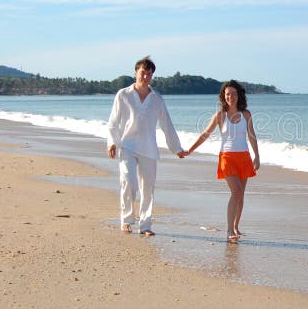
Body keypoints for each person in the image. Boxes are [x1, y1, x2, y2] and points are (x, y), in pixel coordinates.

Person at [106, 56, 186, 236]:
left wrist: (177, 148)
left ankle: (145, 225)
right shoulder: (123, 95)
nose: (145, 77)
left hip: (148, 148)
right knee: (129, 182)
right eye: (143, 73)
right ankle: (126, 221)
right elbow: (113, 122)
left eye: (149, 74)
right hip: (127, 146)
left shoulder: (157, 98)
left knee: (148, 188)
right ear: (135, 73)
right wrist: (112, 142)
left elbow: (167, 125)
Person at [185, 80, 260, 243]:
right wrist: (190, 150)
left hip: (244, 157)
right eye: (227, 94)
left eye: (233, 94)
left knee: (241, 195)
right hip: (227, 157)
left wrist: (257, 156)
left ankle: (236, 226)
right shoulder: (220, 115)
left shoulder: (246, 114)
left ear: (239, 95)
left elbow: (252, 136)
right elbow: (205, 134)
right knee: (236, 192)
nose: (231, 97)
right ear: (223, 97)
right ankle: (228, 230)